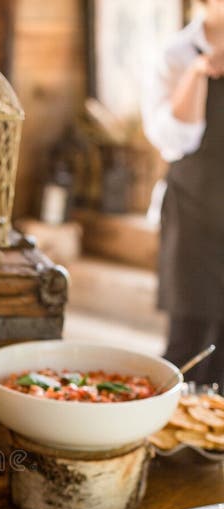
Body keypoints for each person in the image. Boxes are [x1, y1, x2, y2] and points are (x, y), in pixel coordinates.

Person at [142, 0, 224, 387]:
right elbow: (173, 141)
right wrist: (199, 73)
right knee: (188, 343)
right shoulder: (177, 53)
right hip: (195, 208)